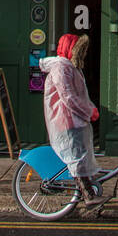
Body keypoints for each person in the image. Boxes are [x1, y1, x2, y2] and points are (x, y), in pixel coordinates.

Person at [40, 34, 102, 206]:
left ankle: (87, 189)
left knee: (80, 156)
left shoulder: (69, 66)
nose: (83, 53)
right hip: (67, 119)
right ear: (71, 49)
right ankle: (88, 195)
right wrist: (88, 111)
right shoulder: (62, 68)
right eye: (80, 50)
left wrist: (88, 110)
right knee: (76, 157)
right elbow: (68, 97)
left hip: (73, 118)